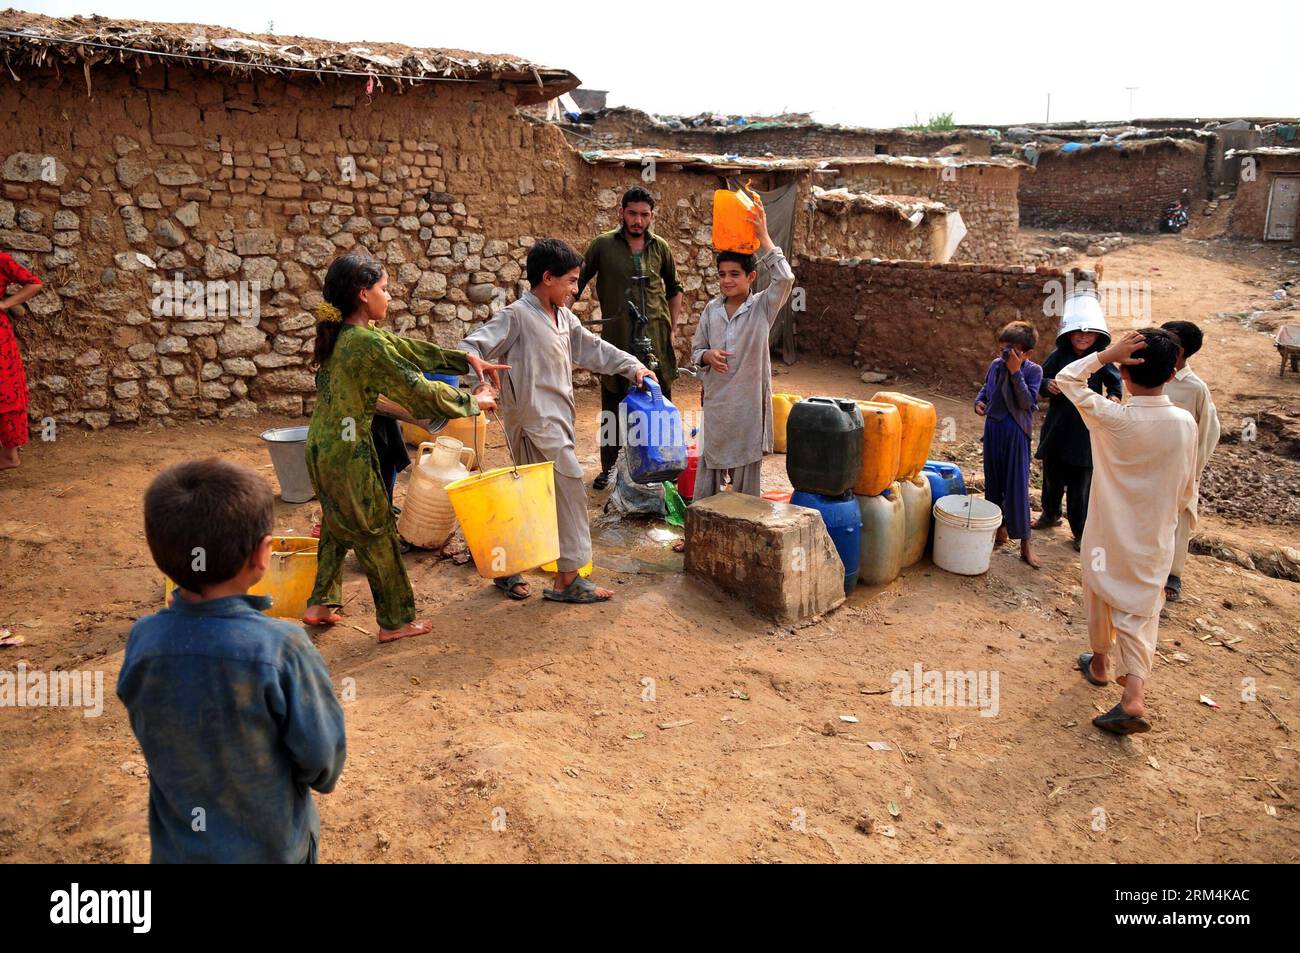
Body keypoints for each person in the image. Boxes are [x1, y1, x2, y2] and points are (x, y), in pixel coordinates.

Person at [118, 458, 347, 863]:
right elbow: (322, 763)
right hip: (274, 850)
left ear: (161, 557)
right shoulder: (282, 649)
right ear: (263, 555)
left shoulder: (145, 639)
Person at [301, 253, 506, 642]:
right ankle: (395, 621)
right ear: (363, 295)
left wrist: (465, 360)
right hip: (349, 453)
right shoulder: (363, 343)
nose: (389, 297)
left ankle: (321, 602)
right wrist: (469, 402)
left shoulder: (346, 334)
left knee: (335, 520)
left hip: (320, 448)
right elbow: (416, 387)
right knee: (377, 531)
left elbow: (407, 349)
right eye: (384, 289)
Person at [459, 238, 656, 604]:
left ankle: (505, 567)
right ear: (546, 278)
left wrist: (633, 367)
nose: (575, 288)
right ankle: (569, 580)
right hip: (533, 425)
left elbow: (593, 349)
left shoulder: (564, 317)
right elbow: (470, 347)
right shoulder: (517, 316)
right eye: (569, 280)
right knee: (568, 495)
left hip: (557, 421)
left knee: (529, 500)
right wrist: (481, 382)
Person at [1059, 329, 1197, 735]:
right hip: (1155, 536)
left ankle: (1100, 664)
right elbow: (1187, 485)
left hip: (1106, 534)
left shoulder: (1112, 417)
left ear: (1124, 369)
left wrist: (1104, 355)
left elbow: (1068, 380)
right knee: (1140, 610)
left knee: (1099, 594)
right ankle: (1133, 695)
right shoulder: (1184, 423)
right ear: (1172, 375)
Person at [577, 186, 683, 489]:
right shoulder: (602, 246)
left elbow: (674, 290)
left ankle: (662, 468)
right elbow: (576, 284)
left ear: (651, 216)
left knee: (658, 402)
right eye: (633, 213)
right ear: (621, 212)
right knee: (613, 403)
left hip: (657, 342)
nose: (638, 220)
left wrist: (672, 330)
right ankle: (610, 469)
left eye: (644, 215)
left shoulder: (660, 247)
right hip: (617, 340)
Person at [689, 199, 794, 499]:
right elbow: (696, 352)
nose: (726, 280)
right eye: (722, 274)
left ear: (750, 277)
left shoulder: (762, 306)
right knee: (709, 471)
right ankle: (701, 529)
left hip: (748, 407)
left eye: (734, 274)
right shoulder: (711, 310)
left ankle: (744, 535)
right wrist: (707, 356)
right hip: (718, 405)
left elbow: (785, 278)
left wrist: (763, 237)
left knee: (746, 483)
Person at [1033, 313, 1122, 549]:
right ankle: (1050, 515)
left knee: (1080, 486)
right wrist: (1047, 385)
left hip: (1086, 431)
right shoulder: (1059, 356)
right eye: (1078, 332)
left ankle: (1081, 531)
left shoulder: (1100, 360)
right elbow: (1040, 379)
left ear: (1098, 337)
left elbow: (1115, 384)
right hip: (1057, 426)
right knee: (1051, 477)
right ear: (1068, 334)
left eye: (1089, 333)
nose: (1083, 337)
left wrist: (1113, 396)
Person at [1160, 320, 1221, 602]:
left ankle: (1173, 573)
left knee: (1179, 521)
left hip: (1181, 468)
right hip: (1152, 462)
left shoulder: (1195, 388)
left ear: (1181, 349)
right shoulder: (1153, 373)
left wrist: (1193, 472)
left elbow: (1209, 432)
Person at [975, 321, 1043, 568]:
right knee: (993, 481)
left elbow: (1027, 402)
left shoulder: (1033, 371)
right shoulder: (995, 365)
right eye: (1002, 349)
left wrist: (1016, 372)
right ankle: (998, 528)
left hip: (1016, 432)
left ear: (1027, 353)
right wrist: (979, 402)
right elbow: (986, 389)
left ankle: (1025, 543)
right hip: (994, 428)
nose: (1004, 355)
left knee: (1016, 487)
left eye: (1011, 351)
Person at [0, 251, 44, 471]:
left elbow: (34, 284)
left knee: (5, 392)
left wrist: (5, 304)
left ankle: (10, 455)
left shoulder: (1, 260)